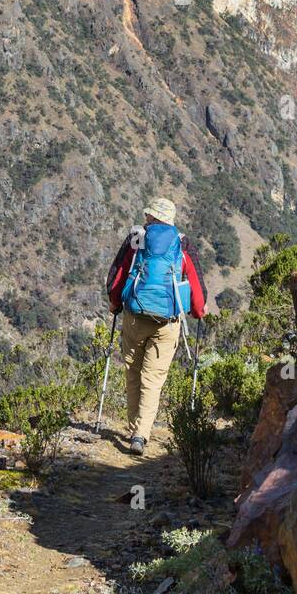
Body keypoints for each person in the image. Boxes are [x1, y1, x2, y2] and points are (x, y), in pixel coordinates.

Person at [105, 195, 207, 455]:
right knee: (153, 379)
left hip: (135, 316)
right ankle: (141, 434)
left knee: (133, 372)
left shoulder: (137, 238)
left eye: (148, 214)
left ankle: (133, 428)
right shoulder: (182, 243)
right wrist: (198, 310)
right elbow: (195, 283)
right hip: (167, 322)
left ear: (152, 217)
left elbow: (118, 274)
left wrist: (114, 303)